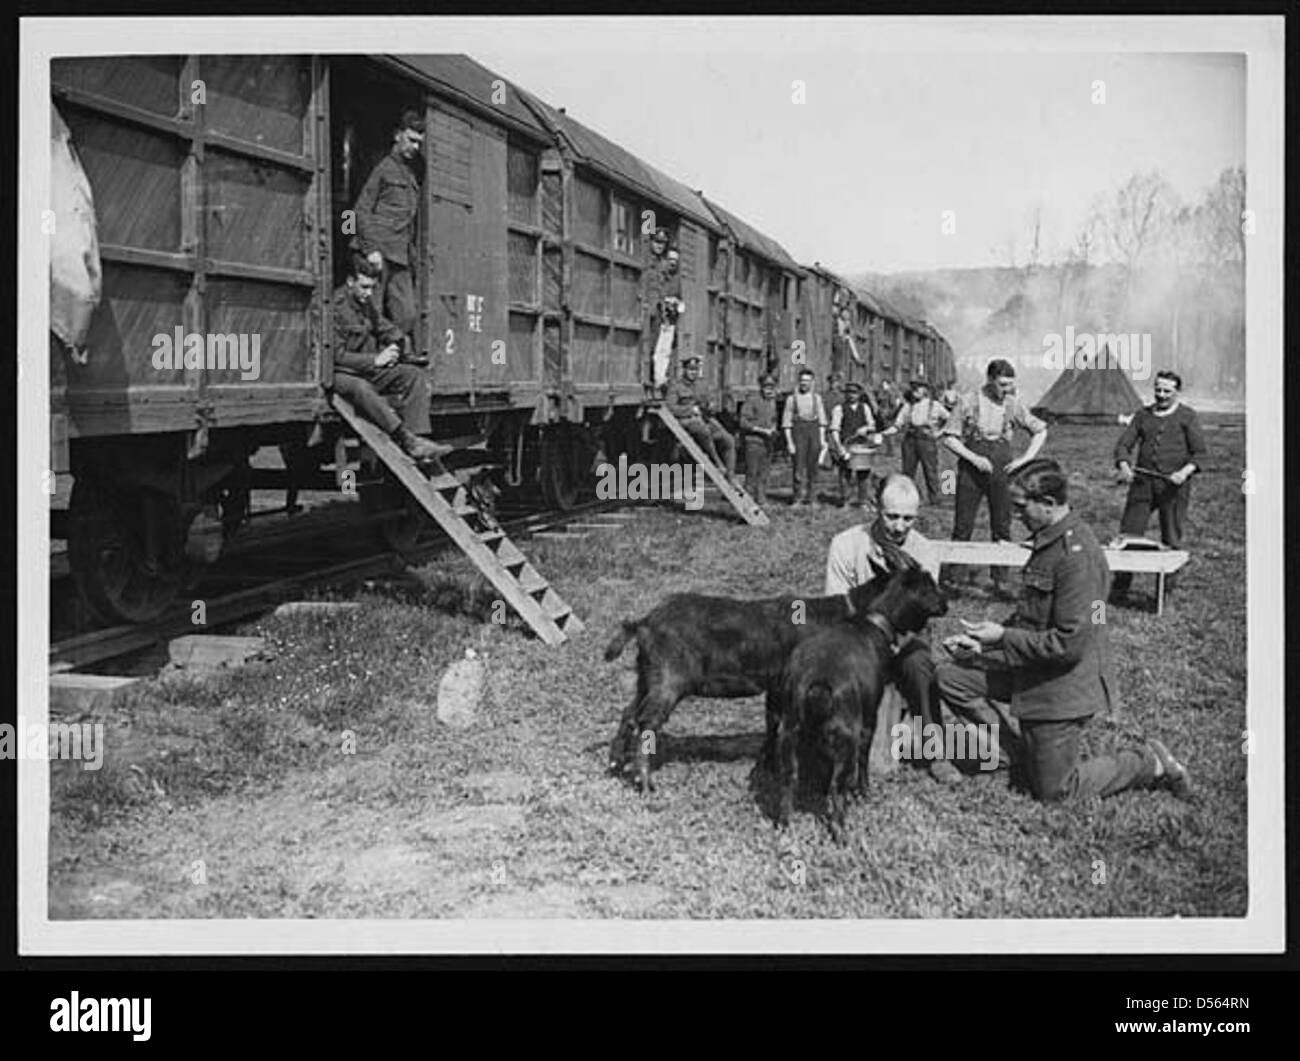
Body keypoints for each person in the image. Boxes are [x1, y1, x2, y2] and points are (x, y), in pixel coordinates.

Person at [936, 459, 1192, 801]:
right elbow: (1033, 617)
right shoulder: (1049, 541)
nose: (1016, 516)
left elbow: (1068, 643)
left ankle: (1148, 761)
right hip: (1032, 672)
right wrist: (983, 644)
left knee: (1056, 790)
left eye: (1021, 507)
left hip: (1060, 688)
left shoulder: (1076, 557)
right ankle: (1015, 754)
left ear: (1049, 504)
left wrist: (1002, 638)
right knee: (950, 679)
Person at [825, 474, 960, 784]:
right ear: (875, 507)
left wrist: (893, 649)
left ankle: (935, 749)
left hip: (904, 640)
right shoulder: (846, 545)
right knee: (876, 766)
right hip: (858, 643)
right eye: (892, 516)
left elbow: (920, 615)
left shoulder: (925, 551)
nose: (900, 526)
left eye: (908, 518)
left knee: (920, 666)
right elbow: (837, 608)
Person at [941, 358, 1047, 598]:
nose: (1006, 389)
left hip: (1002, 467)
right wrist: (973, 458)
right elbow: (949, 438)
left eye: (1010, 384)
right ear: (989, 380)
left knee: (1002, 524)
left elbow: (1041, 431)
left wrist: (1025, 459)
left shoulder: (1013, 403)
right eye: (1002, 384)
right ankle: (954, 581)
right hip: (971, 467)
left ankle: (1001, 581)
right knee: (963, 524)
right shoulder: (967, 401)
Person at [331, 256, 448, 463]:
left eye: (372, 288)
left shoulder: (364, 304)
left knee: (413, 375)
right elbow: (336, 357)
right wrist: (376, 360)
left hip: (366, 369)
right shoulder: (336, 308)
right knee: (361, 387)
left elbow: (383, 326)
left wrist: (400, 342)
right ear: (350, 282)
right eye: (364, 287)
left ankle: (419, 440)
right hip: (339, 373)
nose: (368, 294)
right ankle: (405, 439)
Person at [1110, 370, 1207, 602]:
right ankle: (1120, 587)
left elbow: (1200, 454)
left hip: (1172, 488)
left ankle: (1165, 591)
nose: (1161, 395)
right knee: (1129, 534)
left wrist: (1183, 473)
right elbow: (1123, 445)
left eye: (1167, 391)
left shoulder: (1187, 416)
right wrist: (1124, 465)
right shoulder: (1143, 415)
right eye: (1158, 390)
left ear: (1177, 392)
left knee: (1171, 537)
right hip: (1142, 485)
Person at [353, 110, 424, 343]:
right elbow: (359, 210)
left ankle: (394, 355)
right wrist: (370, 249)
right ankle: (370, 361)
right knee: (370, 312)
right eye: (411, 140)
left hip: (399, 254)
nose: (415, 147)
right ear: (397, 135)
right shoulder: (381, 167)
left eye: (419, 143)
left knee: (407, 314)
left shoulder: (410, 173)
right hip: (378, 252)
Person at [663, 356, 736, 480]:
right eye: (690, 369)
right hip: (684, 420)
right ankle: (716, 462)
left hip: (702, 418)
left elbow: (707, 404)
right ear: (684, 370)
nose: (693, 373)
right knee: (702, 429)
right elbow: (670, 408)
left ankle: (730, 476)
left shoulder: (701, 385)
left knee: (728, 439)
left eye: (695, 370)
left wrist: (710, 406)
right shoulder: (676, 386)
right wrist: (690, 410)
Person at [885, 379, 949, 503]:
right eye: (913, 388)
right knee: (907, 472)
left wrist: (939, 433)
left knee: (930, 470)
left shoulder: (934, 405)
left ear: (925, 390)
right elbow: (897, 425)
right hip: (909, 441)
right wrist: (883, 433)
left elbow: (951, 420)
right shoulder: (907, 406)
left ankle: (934, 499)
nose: (914, 391)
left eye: (917, 388)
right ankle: (907, 499)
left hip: (927, 441)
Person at [829, 381, 881, 510]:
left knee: (864, 473)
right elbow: (834, 429)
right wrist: (839, 447)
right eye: (849, 393)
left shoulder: (865, 408)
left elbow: (872, 425)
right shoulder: (839, 409)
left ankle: (863, 501)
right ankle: (845, 500)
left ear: (859, 394)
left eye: (854, 393)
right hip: (846, 445)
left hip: (862, 446)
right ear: (845, 395)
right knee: (845, 474)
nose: (852, 396)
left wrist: (865, 428)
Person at [782, 367, 828, 506]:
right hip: (798, 433)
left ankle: (812, 497)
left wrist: (821, 440)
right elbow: (787, 423)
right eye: (802, 381)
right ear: (798, 381)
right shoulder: (791, 399)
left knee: (813, 467)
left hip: (813, 432)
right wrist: (789, 442)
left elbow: (822, 421)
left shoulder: (817, 398)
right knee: (798, 467)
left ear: (812, 382)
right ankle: (797, 498)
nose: (804, 384)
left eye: (807, 381)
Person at [644, 229, 684, 389]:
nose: (659, 245)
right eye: (657, 242)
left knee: (657, 348)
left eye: (663, 243)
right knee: (648, 346)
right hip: (648, 310)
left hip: (660, 314)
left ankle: (654, 378)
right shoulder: (648, 261)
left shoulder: (665, 268)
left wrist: (672, 304)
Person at [738, 374, 780, 505]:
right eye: (766, 386)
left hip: (768, 443)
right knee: (751, 473)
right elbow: (743, 422)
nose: (769, 390)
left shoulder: (772, 402)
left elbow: (773, 419)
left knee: (764, 473)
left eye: (772, 387)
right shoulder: (752, 400)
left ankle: (761, 500)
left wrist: (773, 429)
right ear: (761, 387)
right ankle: (747, 503)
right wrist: (761, 430)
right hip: (754, 442)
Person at [875, 379, 902, 457]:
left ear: (888, 385)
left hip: (888, 416)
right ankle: (886, 450)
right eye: (883, 384)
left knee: (890, 433)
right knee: (882, 432)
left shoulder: (891, 393)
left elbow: (894, 406)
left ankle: (891, 451)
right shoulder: (884, 393)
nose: (883, 386)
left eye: (885, 384)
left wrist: (890, 414)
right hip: (882, 415)